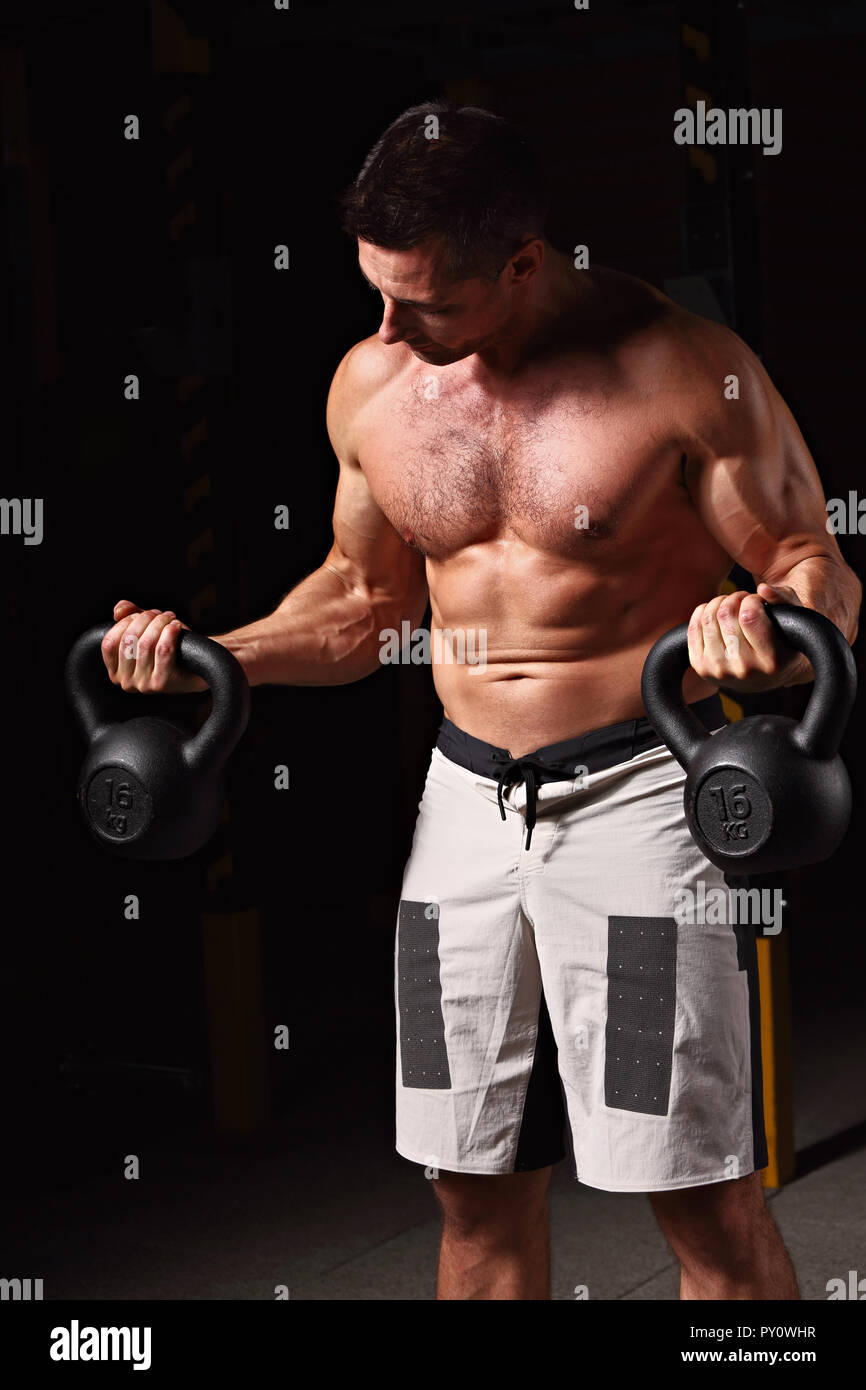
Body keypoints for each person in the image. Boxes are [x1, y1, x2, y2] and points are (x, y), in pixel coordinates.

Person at [101, 102, 861, 1300]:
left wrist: (762, 629)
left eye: (424, 303)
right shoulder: (375, 385)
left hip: (634, 809)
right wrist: (211, 650)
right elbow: (361, 603)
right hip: (456, 821)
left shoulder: (672, 368)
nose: (387, 327)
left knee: (692, 1192)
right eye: (375, 292)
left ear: (520, 261)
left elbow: (809, 565)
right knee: (468, 1186)